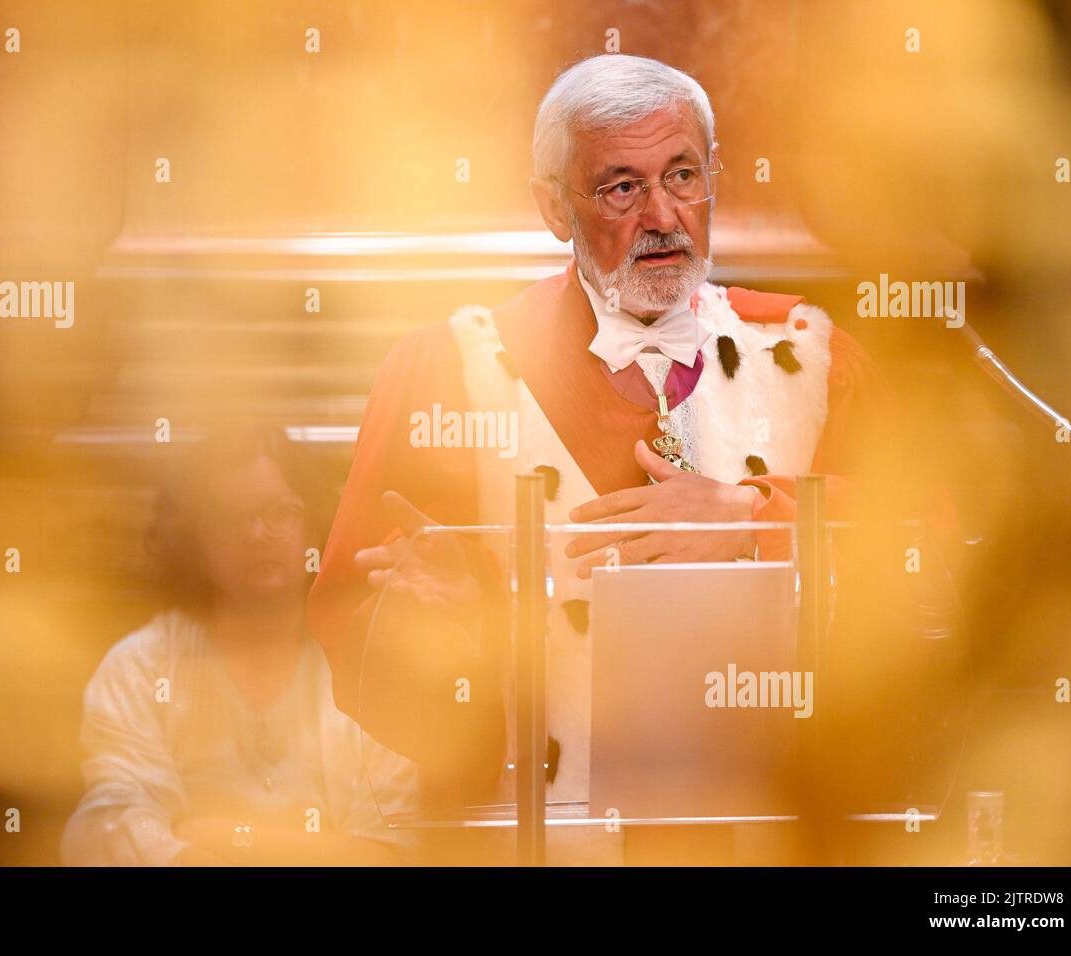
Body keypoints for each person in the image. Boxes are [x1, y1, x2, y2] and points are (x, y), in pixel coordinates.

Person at [306, 54, 893, 848]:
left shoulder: (812, 359)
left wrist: (756, 519)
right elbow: (356, 630)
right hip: (540, 838)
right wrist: (438, 628)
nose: (662, 214)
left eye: (683, 175)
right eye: (622, 186)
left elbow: (926, 561)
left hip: (772, 834)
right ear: (554, 206)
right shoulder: (451, 371)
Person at [62, 426, 418, 866]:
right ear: (196, 539)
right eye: (228, 516)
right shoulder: (139, 667)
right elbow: (112, 829)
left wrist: (214, 836)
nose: (255, 534)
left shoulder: (364, 666)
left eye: (279, 513)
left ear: (315, 526)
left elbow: (392, 852)